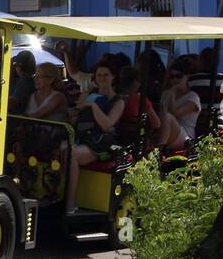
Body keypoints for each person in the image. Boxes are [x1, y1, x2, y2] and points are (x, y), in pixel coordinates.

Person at [65, 63, 124, 213]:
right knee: (60, 148)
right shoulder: (89, 94)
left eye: (106, 75)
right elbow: (76, 120)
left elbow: (107, 125)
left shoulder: (118, 102)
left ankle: (70, 202)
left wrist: (92, 105)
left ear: (113, 77)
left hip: (101, 144)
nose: (102, 78)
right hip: (84, 138)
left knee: (73, 154)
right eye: (99, 75)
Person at [115, 66, 160, 153]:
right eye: (139, 81)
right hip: (136, 143)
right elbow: (157, 123)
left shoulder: (114, 98)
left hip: (118, 139)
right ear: (135, 82)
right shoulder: (141, 100)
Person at [160, 57, 202, 143]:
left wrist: (172, 94)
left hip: (186, 136)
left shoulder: (193, 97)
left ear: (187, 77)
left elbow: (173, 115)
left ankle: (159, 149)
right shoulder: (166, 94)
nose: (175, 80)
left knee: (168, 116)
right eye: (172, 77)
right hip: (166, 132)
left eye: (178, 76)